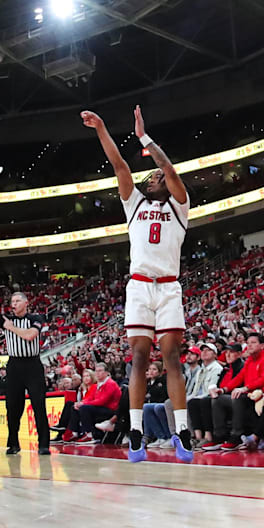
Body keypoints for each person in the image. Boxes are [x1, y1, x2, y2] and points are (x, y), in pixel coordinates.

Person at [81, 106, 194, 463]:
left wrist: (144, 137)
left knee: (172, 358)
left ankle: (183, 432)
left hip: (169, 287)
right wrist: (101, 129)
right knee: (140, 358)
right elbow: (120, 166)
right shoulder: (134, 204)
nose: (153, 179)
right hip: (140, 287)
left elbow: (169, 168)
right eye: (152, 178)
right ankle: (135, 433)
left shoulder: (180, 205)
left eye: (157, 177)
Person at [0, 277, 50, 455]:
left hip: (33, 365)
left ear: (26, 303)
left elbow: (30, 335)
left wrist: (11, 328)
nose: (13, 304)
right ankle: (13, 443)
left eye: (17, 300)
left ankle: (43, 444)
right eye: (12, 301)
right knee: (13, 407)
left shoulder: (36, 318)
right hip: (14, 365)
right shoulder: (5, 318)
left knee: (39, 404)